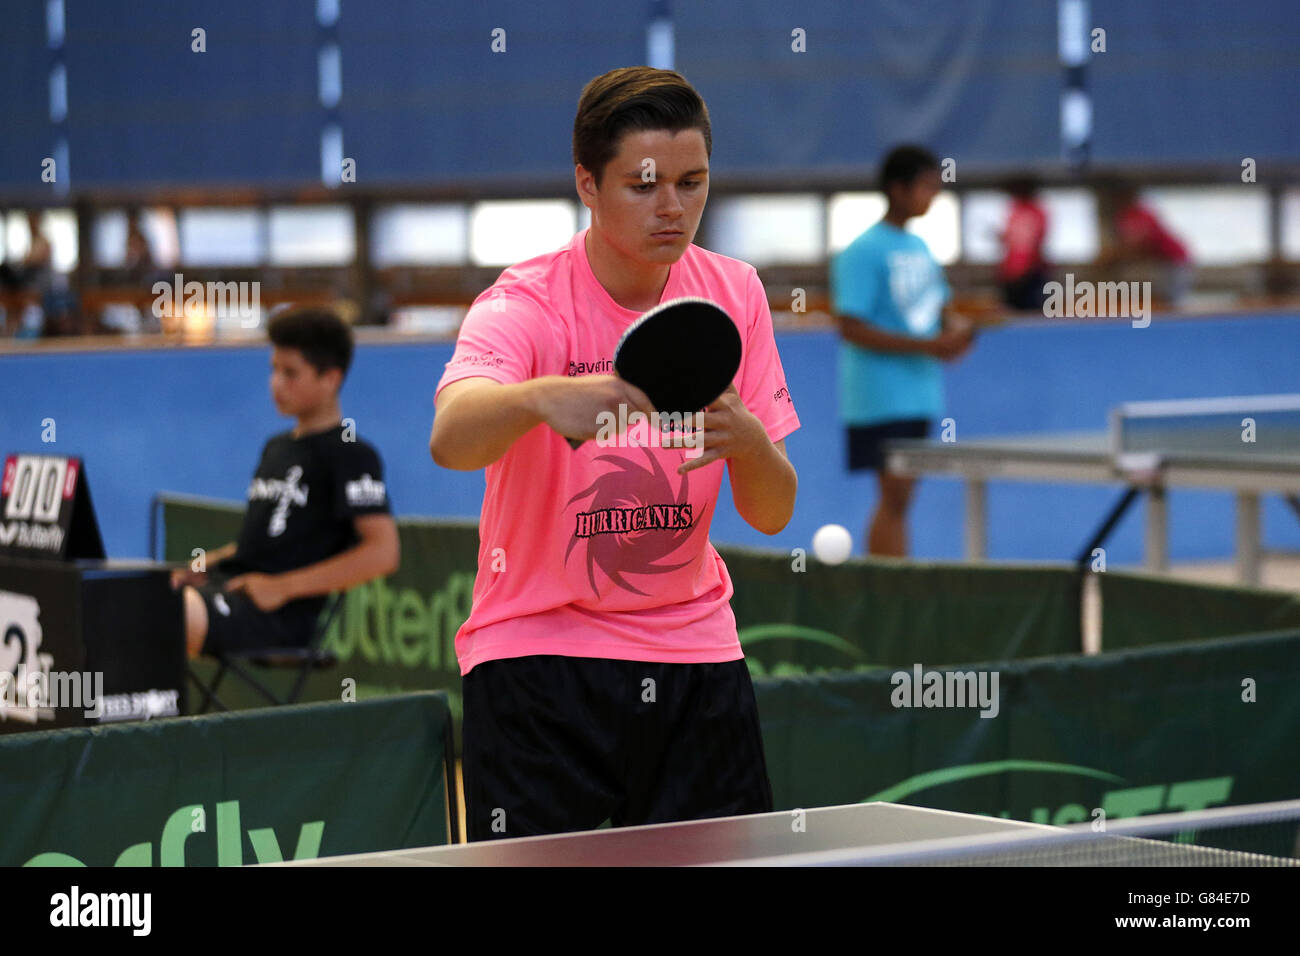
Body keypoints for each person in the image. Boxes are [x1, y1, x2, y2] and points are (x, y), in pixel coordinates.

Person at [430, 66, 799, 841]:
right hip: (538, 659)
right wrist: (536, 398)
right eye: (644, 184)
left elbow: (771, 513)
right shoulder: (523, 304)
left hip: (696, 653)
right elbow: (451, 435)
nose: (673, 208)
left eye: (692, 182)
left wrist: (751, 445)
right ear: (587, 185)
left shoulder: (734, 294)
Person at [171, 306, 399, 660]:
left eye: (291, 373)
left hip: (276, 617)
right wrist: (203, 565)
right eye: (274, 370)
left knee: (164, 616)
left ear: (331, 379)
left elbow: (383, 553)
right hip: (230, 589)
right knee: (141, 597)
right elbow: (262, 545)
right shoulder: (276, 447)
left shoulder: (352, 453)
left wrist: (282, 588)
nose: (276, 383)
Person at [831, 144, 975, 557]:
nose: (933, 195)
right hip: (879, 399)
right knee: (894, 498)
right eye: (926, 186)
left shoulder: (922, 248)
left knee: (902, 500)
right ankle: (888, 587)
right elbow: (851, 326)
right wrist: (930, 345)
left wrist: (959, 331)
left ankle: (890, 584)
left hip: (919, 395)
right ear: (898, 188)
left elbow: (941, 309)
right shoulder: (861, 251)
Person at [1105, 182, 1194, 307]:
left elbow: (1136, 243)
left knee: (1171, 300)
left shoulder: (1141, 214)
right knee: (1164, 297)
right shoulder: (1126, 215)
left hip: (1174, 259)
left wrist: (1112, 257)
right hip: (1161, 262)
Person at [997, 174, 1049, 311]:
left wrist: (1023, 271)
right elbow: (1012, 241)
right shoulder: (1014, 211)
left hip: (1030, 274)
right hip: (1011, 274)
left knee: (1030, 313)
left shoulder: (1036, 212)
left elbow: (1032, 243)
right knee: (1011, 313)